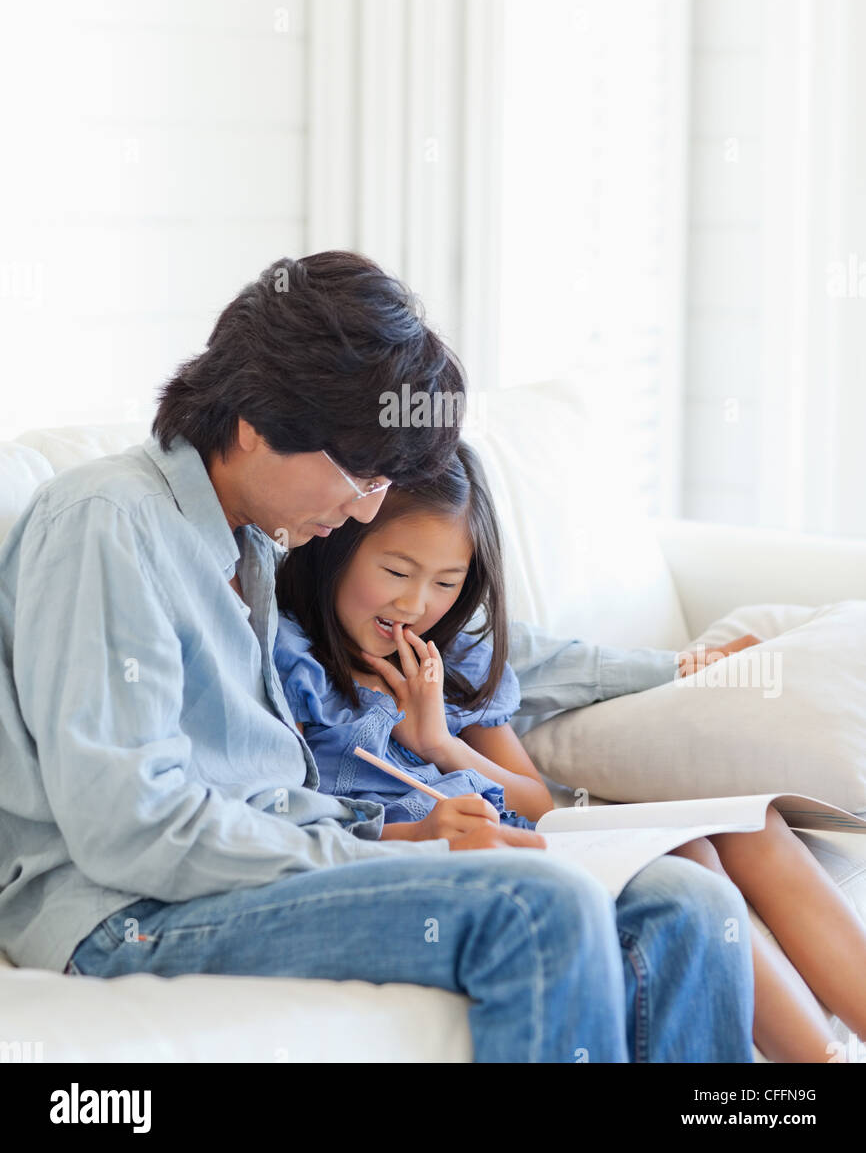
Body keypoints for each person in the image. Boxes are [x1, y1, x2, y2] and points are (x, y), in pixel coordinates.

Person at [0, 251, 755, 1062]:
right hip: (129, 910)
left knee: (679, 900)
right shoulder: (109, 525)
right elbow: (132, 829)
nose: (367, 509)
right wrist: (380, 848)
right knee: (537, 906)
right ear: (254, 421)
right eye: (360, 475)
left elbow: (473, 657)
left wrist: (405, 836)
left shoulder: (250, 542)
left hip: (248, 873)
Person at [274, 437, 866, 1063]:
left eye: (445, 583)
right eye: (396, 573)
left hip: (533, 833)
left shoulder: (457, 660)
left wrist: (442, 746)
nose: (415, 605)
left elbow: (534, 797)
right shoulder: (290, 665)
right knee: (685, 862)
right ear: (338, 544)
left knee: (752, 826)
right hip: (454, 861)